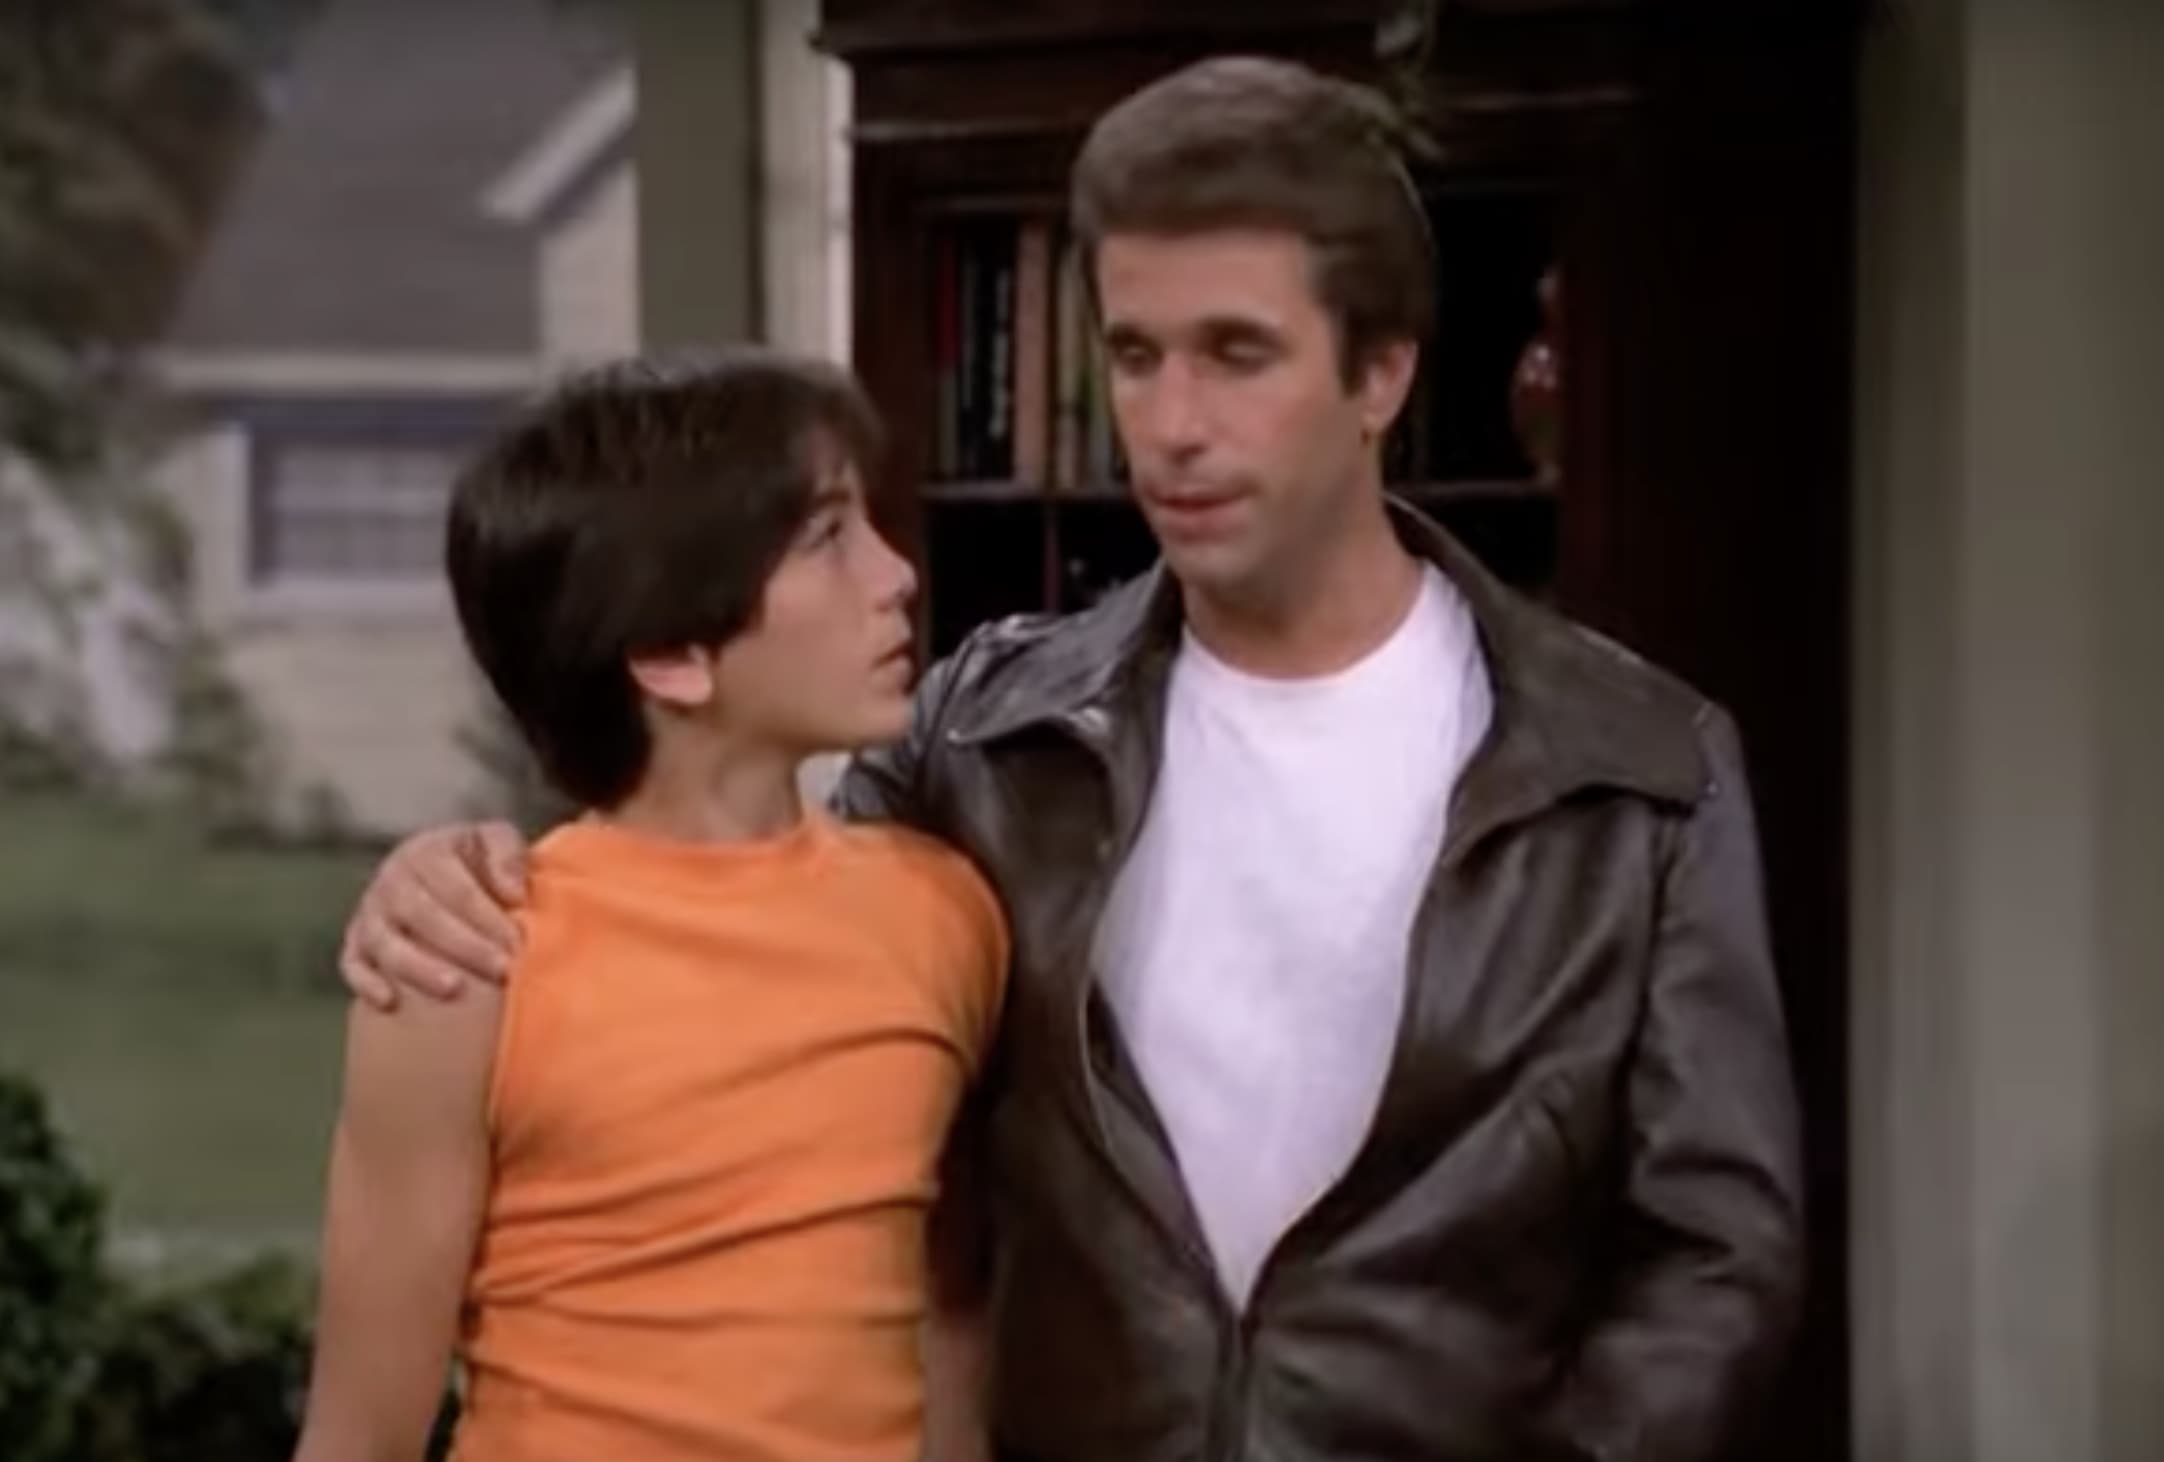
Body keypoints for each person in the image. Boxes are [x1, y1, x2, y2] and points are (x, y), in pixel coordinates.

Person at [339, 56, 1803, 1462]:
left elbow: (1718, 1256)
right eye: (1133, 356)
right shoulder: (986, 738)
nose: (1171, 427)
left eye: (1236, 355)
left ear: (1380, 375)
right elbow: (723, 908)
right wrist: (449, 875)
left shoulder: (1635, 768)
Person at [292, 352, 1007, 1462]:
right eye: (826, 538)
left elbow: (955, 1295)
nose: (896, 574)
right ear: (671, 655)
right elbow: (358, 1439)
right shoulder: (470, 962)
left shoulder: (943, 913)